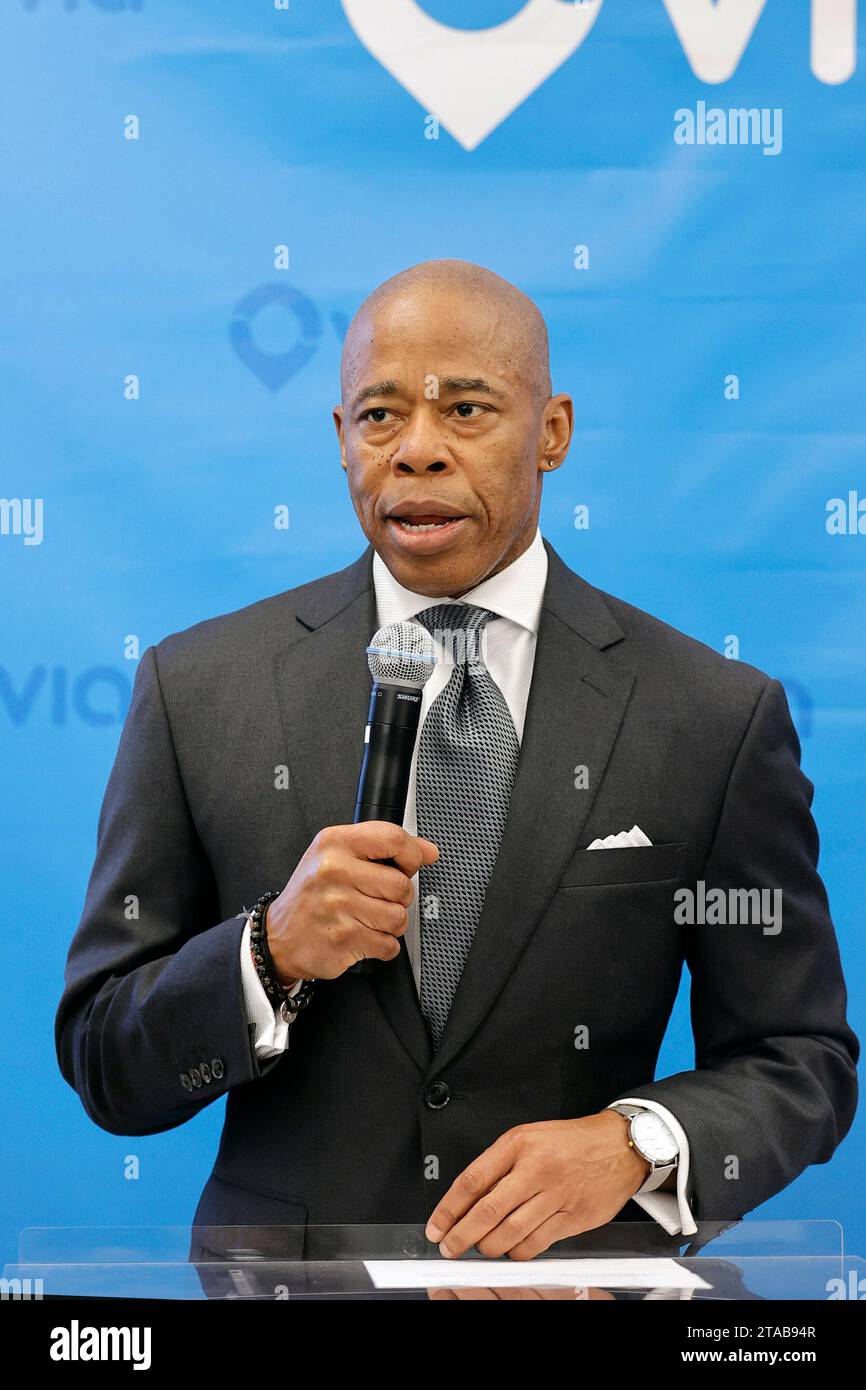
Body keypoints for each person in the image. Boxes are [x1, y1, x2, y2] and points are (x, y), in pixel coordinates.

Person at [55, 259, 858, 1267]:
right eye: (379, 417)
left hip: (571, 1293)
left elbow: (798, 1059)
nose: (418, 454)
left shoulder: (709, 715)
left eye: (466, 409)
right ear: (340, 438)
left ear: (552, 431)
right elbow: (104, 1058)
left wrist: (634, 1147)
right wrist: (268, 955)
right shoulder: (196, 688)